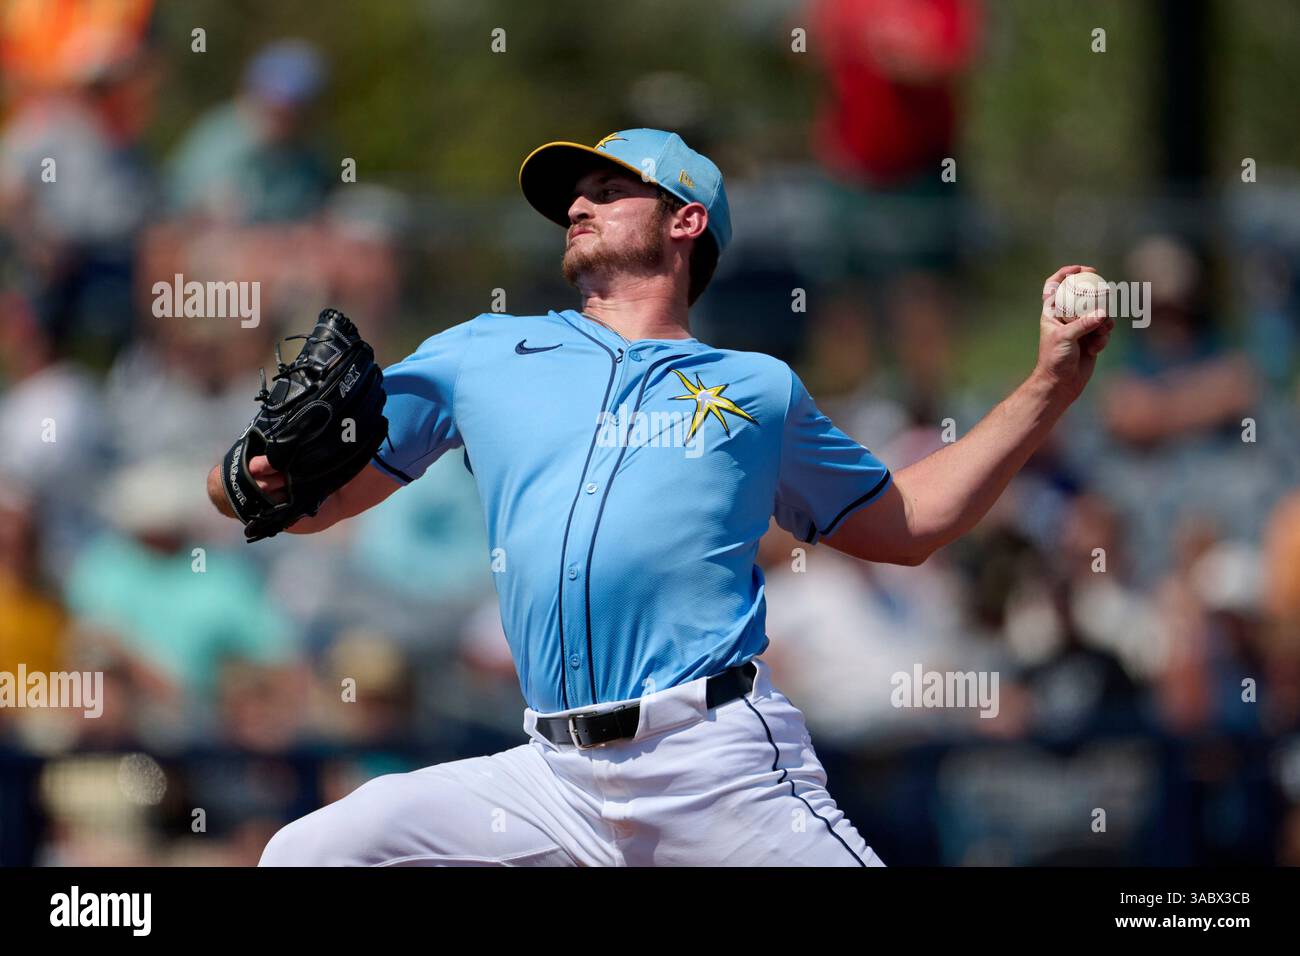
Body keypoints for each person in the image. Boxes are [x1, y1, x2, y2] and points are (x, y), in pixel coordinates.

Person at [205, 128, 1113, 866]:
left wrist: (1049, 387)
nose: (578, 204)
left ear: (686, 221)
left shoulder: (755, 388)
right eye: (576, 193)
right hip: (551, 780)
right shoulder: (482, 352)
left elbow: (909, 525)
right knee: (314, 853)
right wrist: (250, 475)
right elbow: (294, 499)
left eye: (608, 188)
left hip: (713, 764)